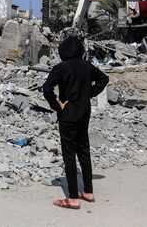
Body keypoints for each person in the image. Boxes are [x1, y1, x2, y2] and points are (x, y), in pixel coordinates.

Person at [42, 36, 109, 210]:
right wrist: (89, 93)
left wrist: (57, 106)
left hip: (68, 115)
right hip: (84, 114)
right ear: (80, 51)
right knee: (84, 152)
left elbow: (46, 89)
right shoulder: (87, 67)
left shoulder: (60, 68)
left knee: (69, 155)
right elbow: (104, 79)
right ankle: (88, 191)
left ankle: (72, 198)